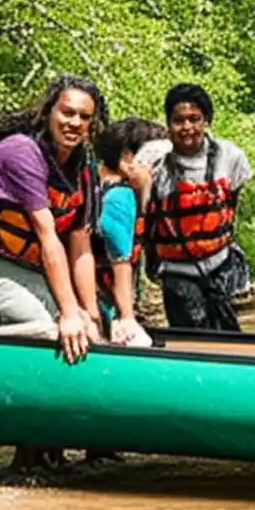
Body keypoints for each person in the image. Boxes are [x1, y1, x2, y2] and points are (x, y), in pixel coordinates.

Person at [0, 74, 107, 470]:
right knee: (50, 328)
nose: (74, 123)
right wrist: (67, 313)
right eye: (67, 112)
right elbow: (47, 234)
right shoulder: (20, 152)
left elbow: (80, 246)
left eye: (84, 117)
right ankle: (27, 452)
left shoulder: (83, 166)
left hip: (27, 267)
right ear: (49, 111)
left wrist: (89, 314)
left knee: (92, 322)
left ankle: (54, 445)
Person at [144, 83, 254, 330]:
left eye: (194, 119)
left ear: (206, 121)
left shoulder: (230, 156)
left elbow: (232, 202)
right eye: (179, 120)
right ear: (168, 124)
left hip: (220, 265)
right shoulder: (154, 164)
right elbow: (145, 218)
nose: (187, 127)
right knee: (193, 335)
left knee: (230, 335)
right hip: (177, 271)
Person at [91, 118, 167, 346]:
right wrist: (127, 317)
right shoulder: (120, 197)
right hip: (98, 304)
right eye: (156, 164)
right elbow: (120, 263)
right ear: (127, 159)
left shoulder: (95, 184)